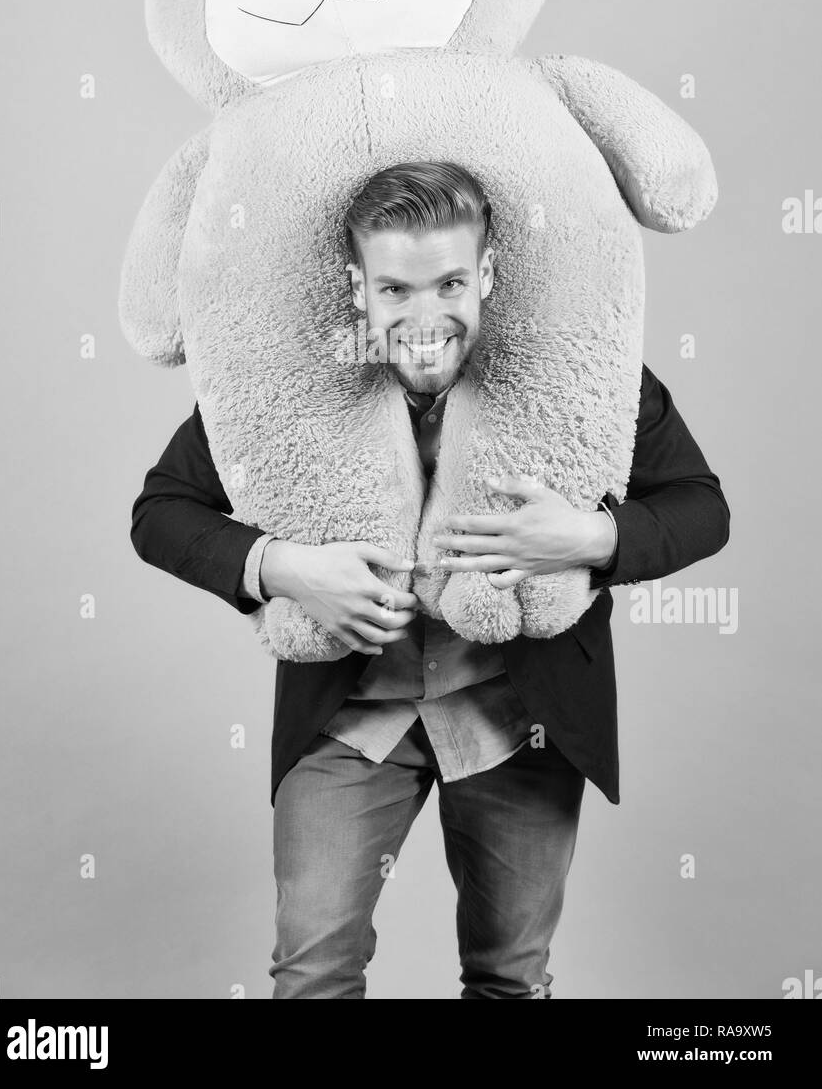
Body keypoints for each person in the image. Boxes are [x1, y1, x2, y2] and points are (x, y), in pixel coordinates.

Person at [130, 161, 730, 999]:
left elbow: (701, 509)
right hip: (349, 720)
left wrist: (587, 537)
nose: (424, 317)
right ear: (357, 286)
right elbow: (161, 514)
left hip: (516, 719)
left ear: (485, 272)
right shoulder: (286, 389)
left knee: (510, 979)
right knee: (312, 976)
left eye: (450, 282)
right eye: (394, 289)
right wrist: (283, 568)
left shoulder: (579, 376)